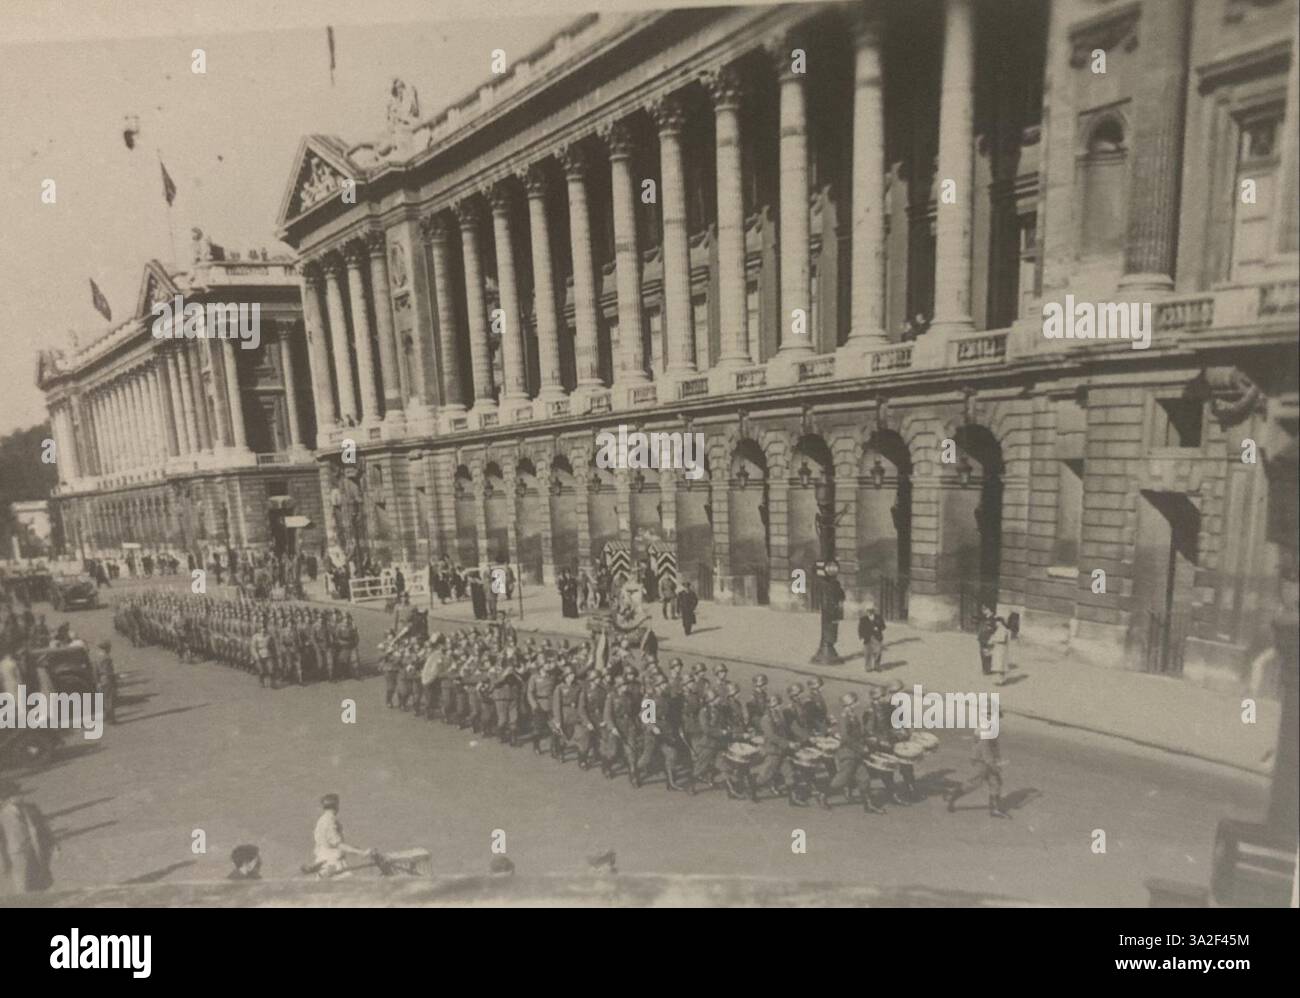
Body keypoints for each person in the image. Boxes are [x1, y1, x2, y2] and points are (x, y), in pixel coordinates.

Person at [944, 722, 1010, 818]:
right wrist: (993, 765)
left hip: (988, 761)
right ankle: (952, 797)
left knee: (996, 782)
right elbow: (985, 751)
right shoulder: (987, 731)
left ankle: (994, 809)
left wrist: (997, 761)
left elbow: (995, 748)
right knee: (974, 783)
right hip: (980, 761)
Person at [312, 793, 371, 877]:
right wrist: (361, 852)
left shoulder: (321, 820)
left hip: (323, 861)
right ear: (336, 805)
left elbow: (328, 843)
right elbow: (337, 844)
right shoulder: (329, 821)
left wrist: (354, 849)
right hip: (332, 864)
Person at [93, 639, 117, 724]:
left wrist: (97, 682)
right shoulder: (107, 658)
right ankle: (111, 718)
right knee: (109, 699)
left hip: (101, 680)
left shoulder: (97, 657)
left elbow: (95, 670)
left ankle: (106, 716)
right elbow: (109, 671)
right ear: (106, 648)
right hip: (107, 679)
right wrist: (114, 680)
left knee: (103, 699)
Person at [858, 602, 886, 672]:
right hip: (867, 637)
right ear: (866, 611)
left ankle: (877, 666)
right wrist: (861, 637)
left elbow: (883, 627)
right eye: (868, 610)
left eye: (871, 610)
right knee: (867, 653)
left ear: (873, 611)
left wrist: (878, 628)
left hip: (877, 637)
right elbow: (860, 629)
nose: (869, 612)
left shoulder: (878, 617)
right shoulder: (863, 619)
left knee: (878, 651)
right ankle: (868, 667)